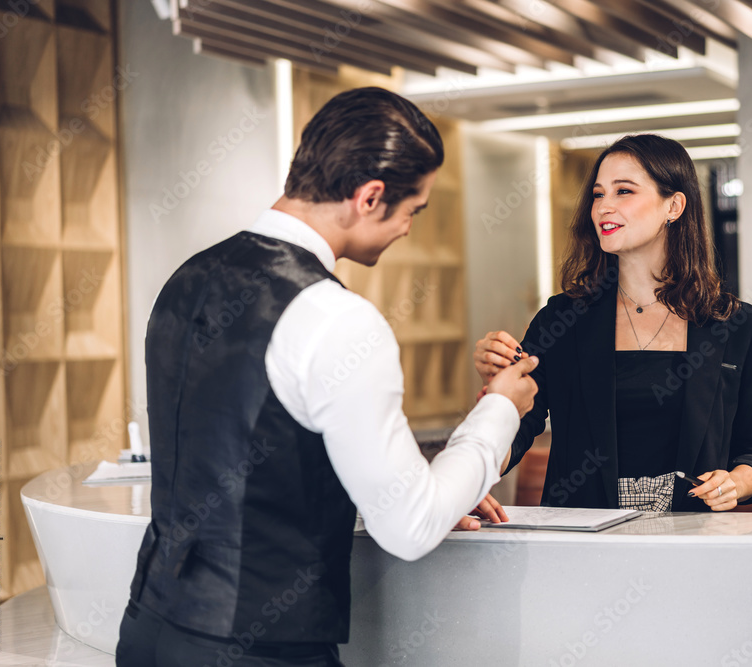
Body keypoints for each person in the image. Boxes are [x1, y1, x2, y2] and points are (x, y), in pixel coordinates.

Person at [116, 87, 538, 667]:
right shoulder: (336, 319)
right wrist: (500, 411)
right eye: (413, 210)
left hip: (148, 630)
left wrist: (437, 490)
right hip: (259, 649)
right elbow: (411, 527)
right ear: (369, 197)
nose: (409, 229)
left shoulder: (187, 277)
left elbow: (255, 459)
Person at [474, 134, 752, 513]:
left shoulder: (738, 325)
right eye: (599, 194)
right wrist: (485, 433)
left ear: (674, 206)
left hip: (693, 544)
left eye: (624, 191)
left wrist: (737, 482)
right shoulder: (562, 319)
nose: (604, 208)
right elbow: (518, 430)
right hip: (584, 543)